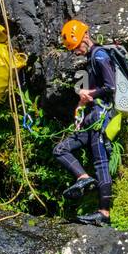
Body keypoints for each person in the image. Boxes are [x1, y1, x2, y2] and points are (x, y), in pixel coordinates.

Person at [53, 19, 115, 226]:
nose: (76, 52)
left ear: (85, 37)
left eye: (77, 46)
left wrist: (91, 93)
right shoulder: (91, 59)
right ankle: (83, 178)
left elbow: (110, 87)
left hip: (101, 115)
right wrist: (82, 104)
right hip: (90, 116)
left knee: (101, 163)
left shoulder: (100, 56)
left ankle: (104, 214)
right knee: (60, 150)